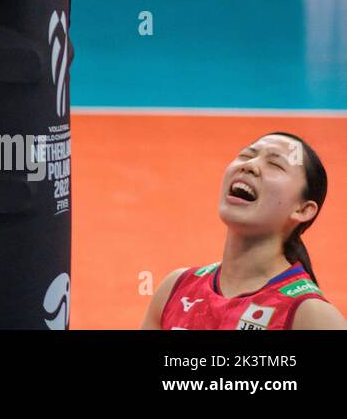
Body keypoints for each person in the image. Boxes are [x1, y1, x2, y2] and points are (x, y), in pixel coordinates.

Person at [143, 132, 344, 329]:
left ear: (302, 209)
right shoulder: (176, 288)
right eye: (246, 156)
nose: (250, 165)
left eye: (274, 164)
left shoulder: (311, 315)